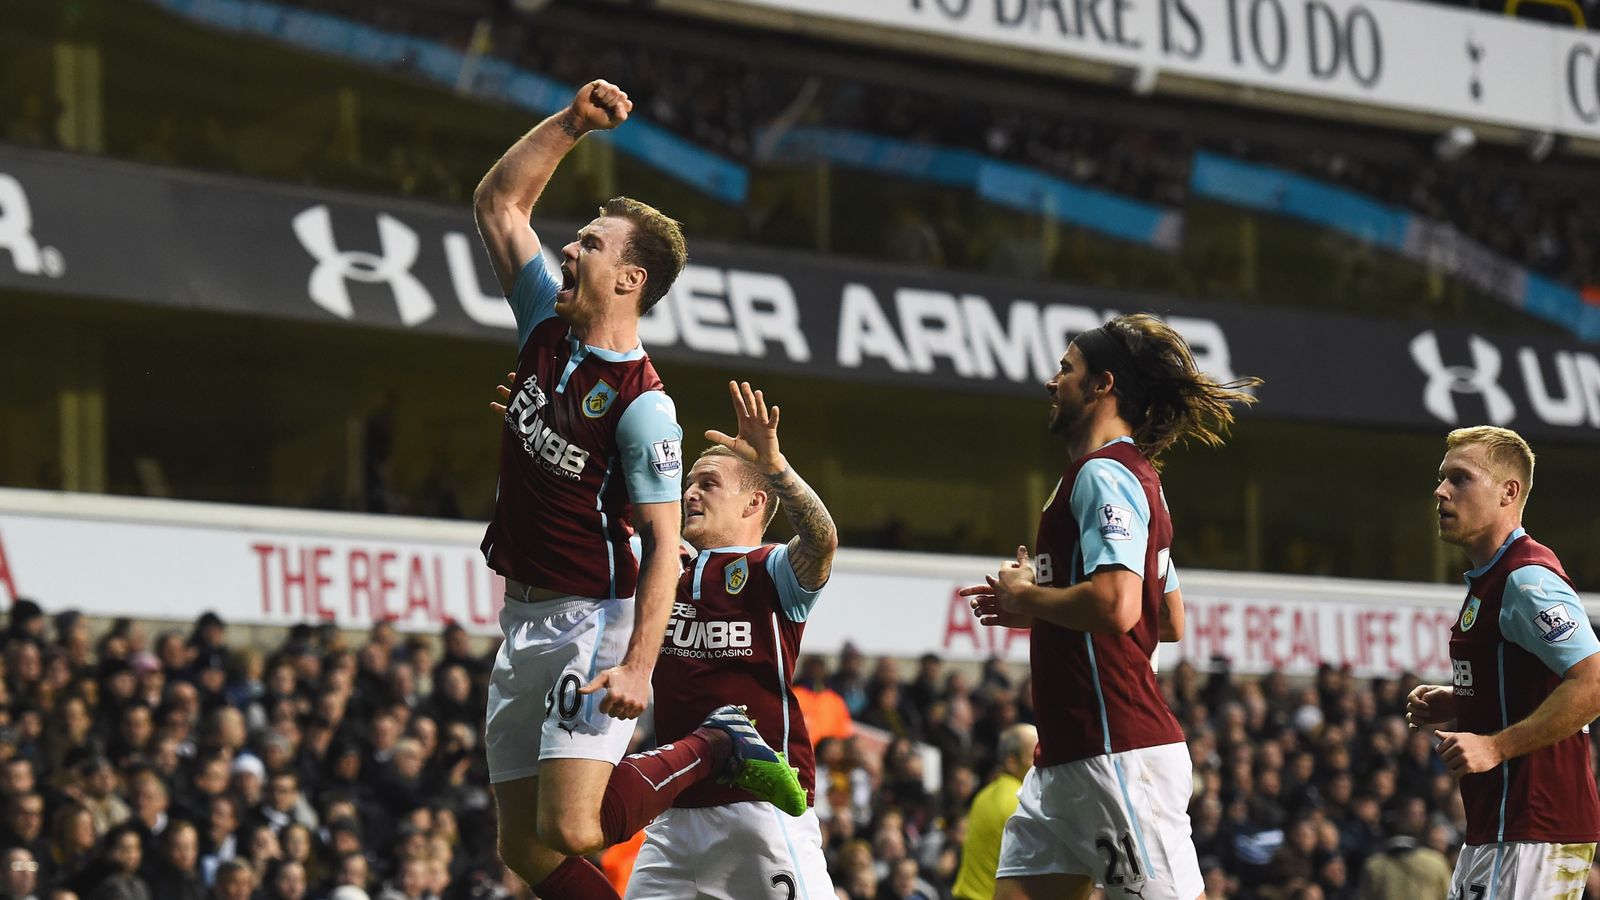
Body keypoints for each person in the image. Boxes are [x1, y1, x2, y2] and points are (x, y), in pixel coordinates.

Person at [472, 79, 798, 899]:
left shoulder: (646, 407)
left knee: (576, 828)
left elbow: (663, 547)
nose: (569, 250)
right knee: (526, 847)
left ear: (631, 281)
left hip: (592, 618)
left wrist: (639, 669)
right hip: (525, 613)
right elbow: (499, 205)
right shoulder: (546, 322)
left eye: (589, 243)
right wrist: (572, 125)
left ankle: (720, 745)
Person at [961, 314, 1259, 900]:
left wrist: (1027, 595)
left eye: (1066, 369)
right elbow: (1166, 619)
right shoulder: (1129, 477)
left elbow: (1119, 607)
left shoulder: (1105, 475)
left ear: (1103, 385)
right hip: (1064, 759)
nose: (1052, 382)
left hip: (1116, 752)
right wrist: (1042, 609)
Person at [625, 381, 840, 899]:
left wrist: (776, 466)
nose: (690, 493)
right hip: (675, 816)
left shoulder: (770, 570)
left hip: (761, 812)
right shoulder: (661, 569)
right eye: (689, 483)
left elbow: (821, 540)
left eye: (708, 483)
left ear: (754, 503)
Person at [1405, 426, 1600, 898]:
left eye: (1460, 479)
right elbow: (1536, 680)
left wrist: (1493, 747)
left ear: (1508, 492)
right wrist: (1466, 700)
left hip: (1535, 824)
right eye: (1441, 478)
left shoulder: (1527, 579)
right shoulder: (1491, 578)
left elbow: (1593, 684)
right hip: (1503, 826)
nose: (1441, 491)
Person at [952, 724, 1039, 900]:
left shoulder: (982, 796)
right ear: (1011, 762)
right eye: (1035, 755)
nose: (1042, 763)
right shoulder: (1022, 802)